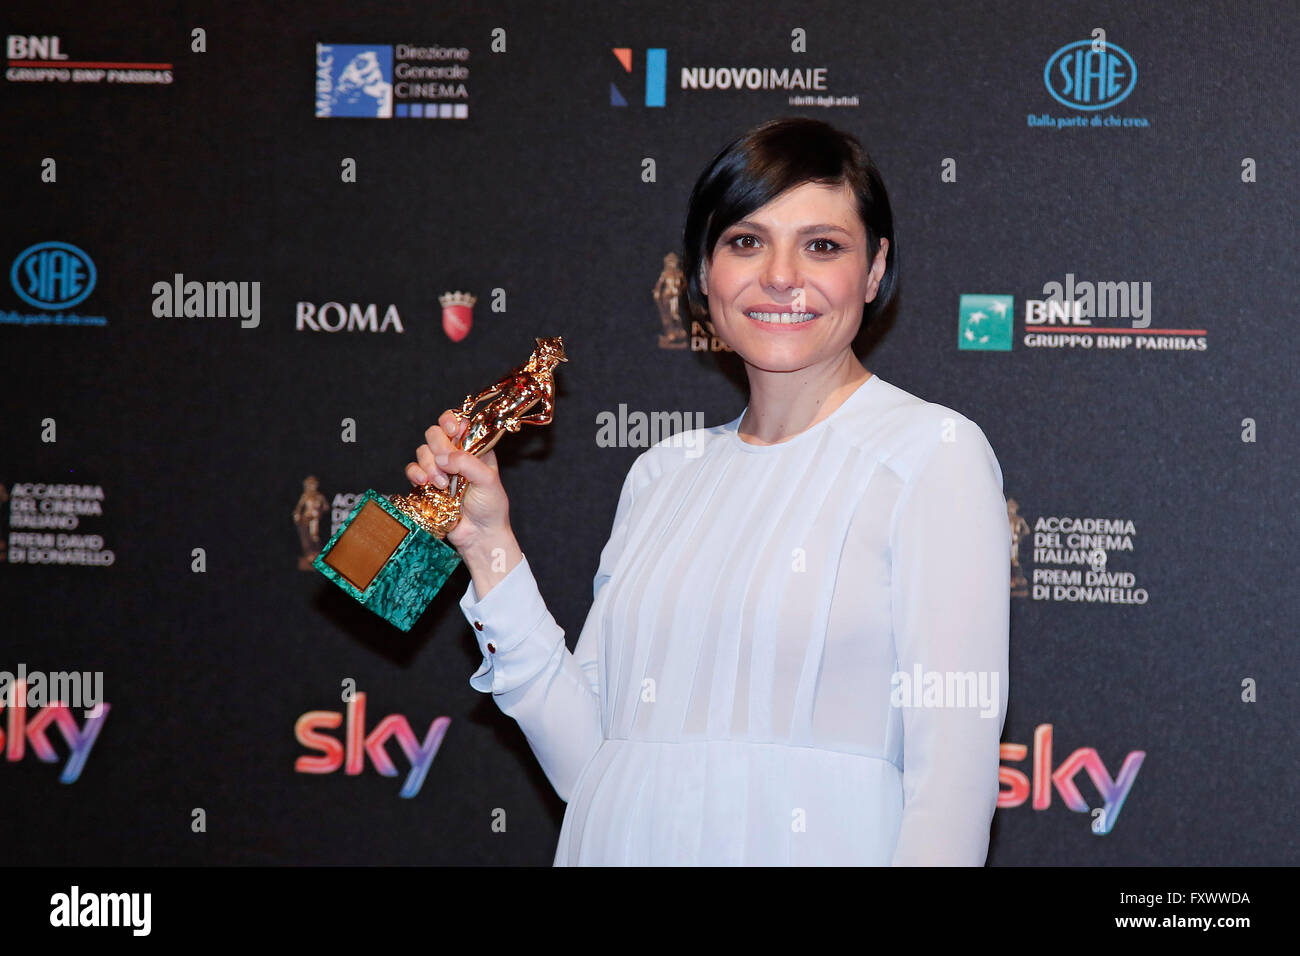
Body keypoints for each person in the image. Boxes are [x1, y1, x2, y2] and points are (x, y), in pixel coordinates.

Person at [405, 117, 1010, 866]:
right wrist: (490, 547)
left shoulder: (931, 455)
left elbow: (950, 795)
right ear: (701, 271)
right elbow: (591, 764)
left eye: (822, 245)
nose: (781, 275)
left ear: (876, 268)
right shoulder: (663, 473)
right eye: (746, 241)